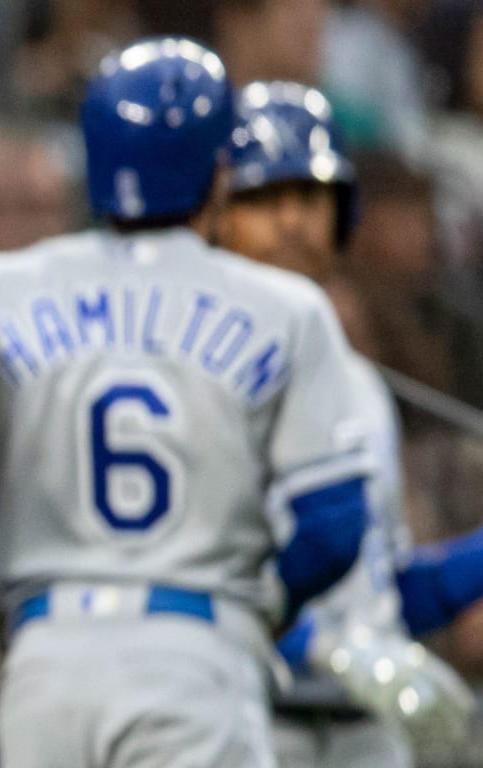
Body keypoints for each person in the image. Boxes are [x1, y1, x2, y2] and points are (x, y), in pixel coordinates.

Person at [0, 37, 371, 767]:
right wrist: (266, 606)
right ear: (219, 174)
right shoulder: (285, 306)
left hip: (45, 660)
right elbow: (334, 525)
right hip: (194, 647)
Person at [219, 79, 483, 768]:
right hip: (244, 717)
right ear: (215, 212)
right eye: (263, 198)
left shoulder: (360, 387)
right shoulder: (198, 371)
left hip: (362, 732)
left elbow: (382, 596)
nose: (291, 223)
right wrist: (322, 647)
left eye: (311, 198)